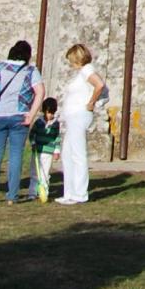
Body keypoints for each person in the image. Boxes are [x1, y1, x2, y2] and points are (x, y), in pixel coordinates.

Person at [0, 39, 42, 205]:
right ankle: (12, 196)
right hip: (19, 116)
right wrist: (31, 114)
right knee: (16, 155)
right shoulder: (31, 71)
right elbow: (40, 92)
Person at [57, 43, 109, 205]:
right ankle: (69, 192)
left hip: (79, 115)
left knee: (78, 154)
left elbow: (99, 85)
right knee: (67, 154)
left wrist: (91, 102)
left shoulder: (87, 70)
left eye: (72, 61)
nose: (71, 64)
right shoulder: (81, 72)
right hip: (73, 117)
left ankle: (80, 193)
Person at [30, 98, 62, 202]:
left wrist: (56, 151)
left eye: (52, 113)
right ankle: (32, 193)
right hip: (37, 152)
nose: (50, 115)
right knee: (35, 172)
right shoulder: (39, 122)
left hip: (48, 152)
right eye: (48, 113)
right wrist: (33, 143)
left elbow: (57, 137)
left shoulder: (56, 124)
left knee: (45, 173)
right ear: (44, 111)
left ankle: (44, 192)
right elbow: (32, 134)